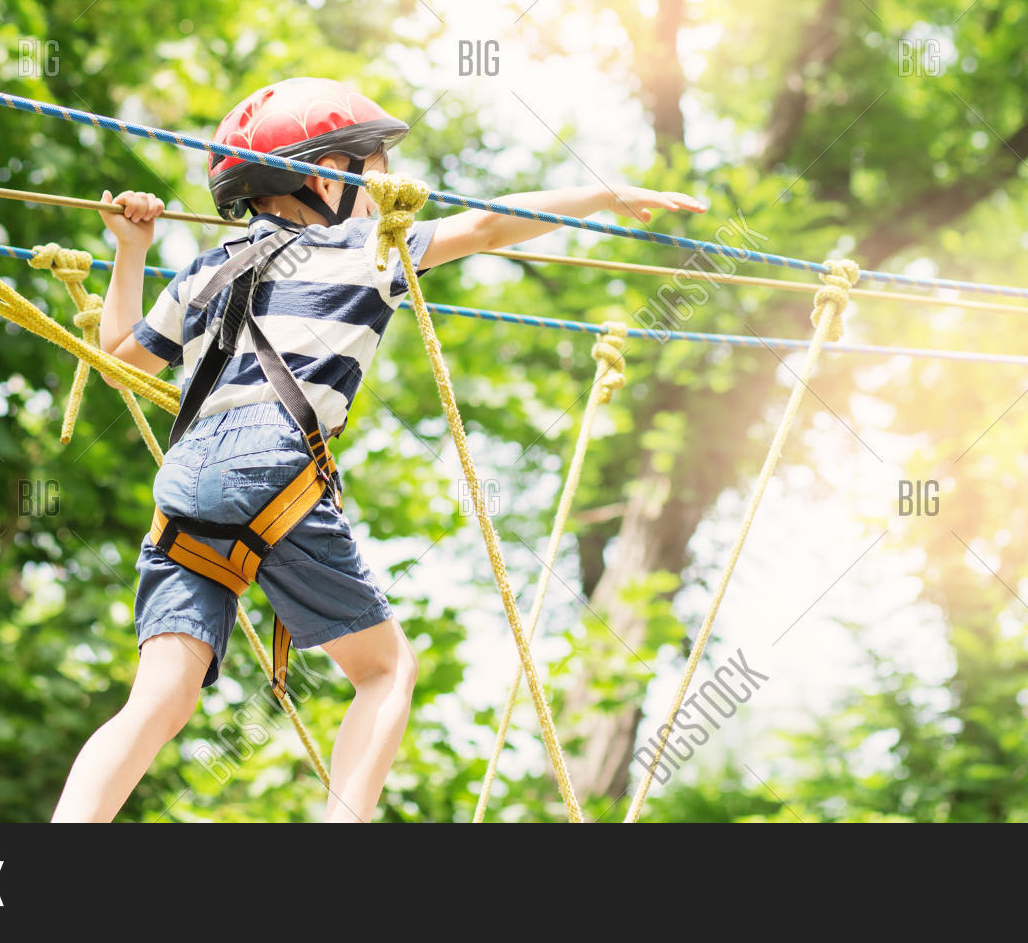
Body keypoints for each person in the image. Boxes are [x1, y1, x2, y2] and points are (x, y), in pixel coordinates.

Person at [51, 77, 704, 822]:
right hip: (275, 475)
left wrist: (130, 250)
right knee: (386, 670)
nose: (384, 183)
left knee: (157, 699)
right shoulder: (366, 246)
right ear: (321, 174)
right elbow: (489, 229)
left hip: (186, 488)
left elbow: (119, 358)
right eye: (372, 164)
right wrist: (599, 197)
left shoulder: (202, 271)